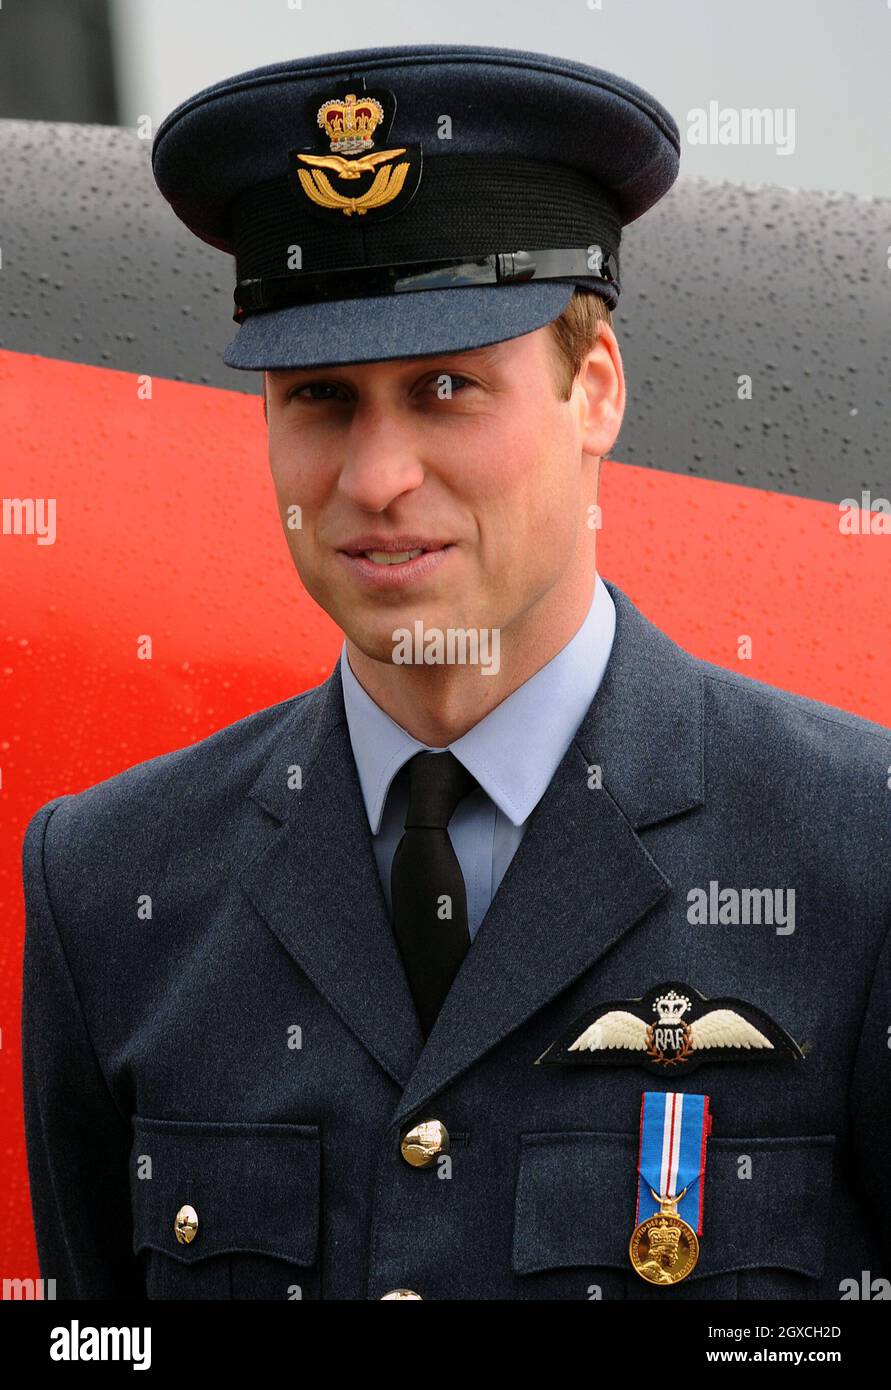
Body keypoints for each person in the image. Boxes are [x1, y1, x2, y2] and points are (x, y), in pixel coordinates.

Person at [21, 43, 891, 1301]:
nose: (375, 480)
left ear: (593, 391)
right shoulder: (108, 886)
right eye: (321, 397)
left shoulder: (856, 854)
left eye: (446, 387)